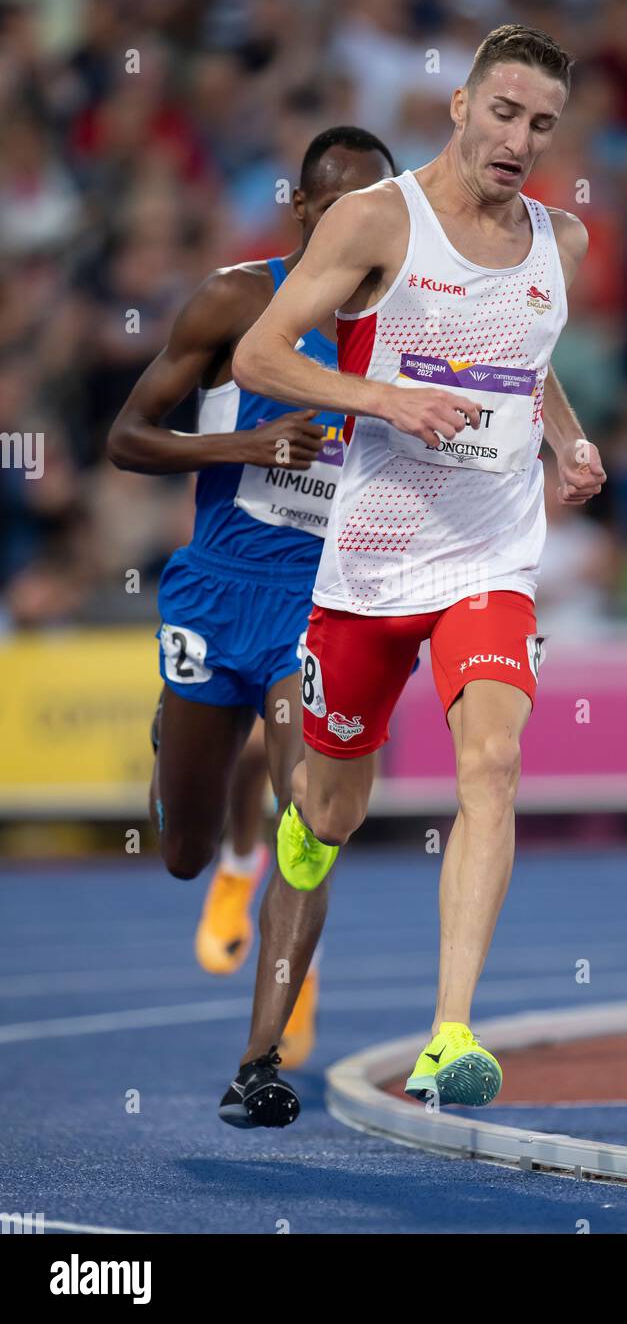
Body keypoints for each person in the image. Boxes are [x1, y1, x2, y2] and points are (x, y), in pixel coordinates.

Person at [229, 25, 606, 1126]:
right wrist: (386, 400)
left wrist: (566, 441)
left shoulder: (561, 241)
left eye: (541, 124)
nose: (519, 140)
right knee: (331, 805)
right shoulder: (376, 218)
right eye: (504, 113)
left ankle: (451, 1037)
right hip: (371, 566)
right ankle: (299, 825)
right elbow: (261, 354)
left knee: (491, 763)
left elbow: (527, 370)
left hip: (491, 558)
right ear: (460, 107)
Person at [107, 126, 396, 1089]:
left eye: (384, 212)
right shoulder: (237, 299)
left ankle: (258, 1057)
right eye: (349, 212)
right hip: (214, 592)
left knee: (309, 817)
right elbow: (128, 437)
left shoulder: (407, 327)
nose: (370, 233)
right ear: (307, 215)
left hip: (319, 608)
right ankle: (214, 826)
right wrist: (243, 446)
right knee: (182, 854)